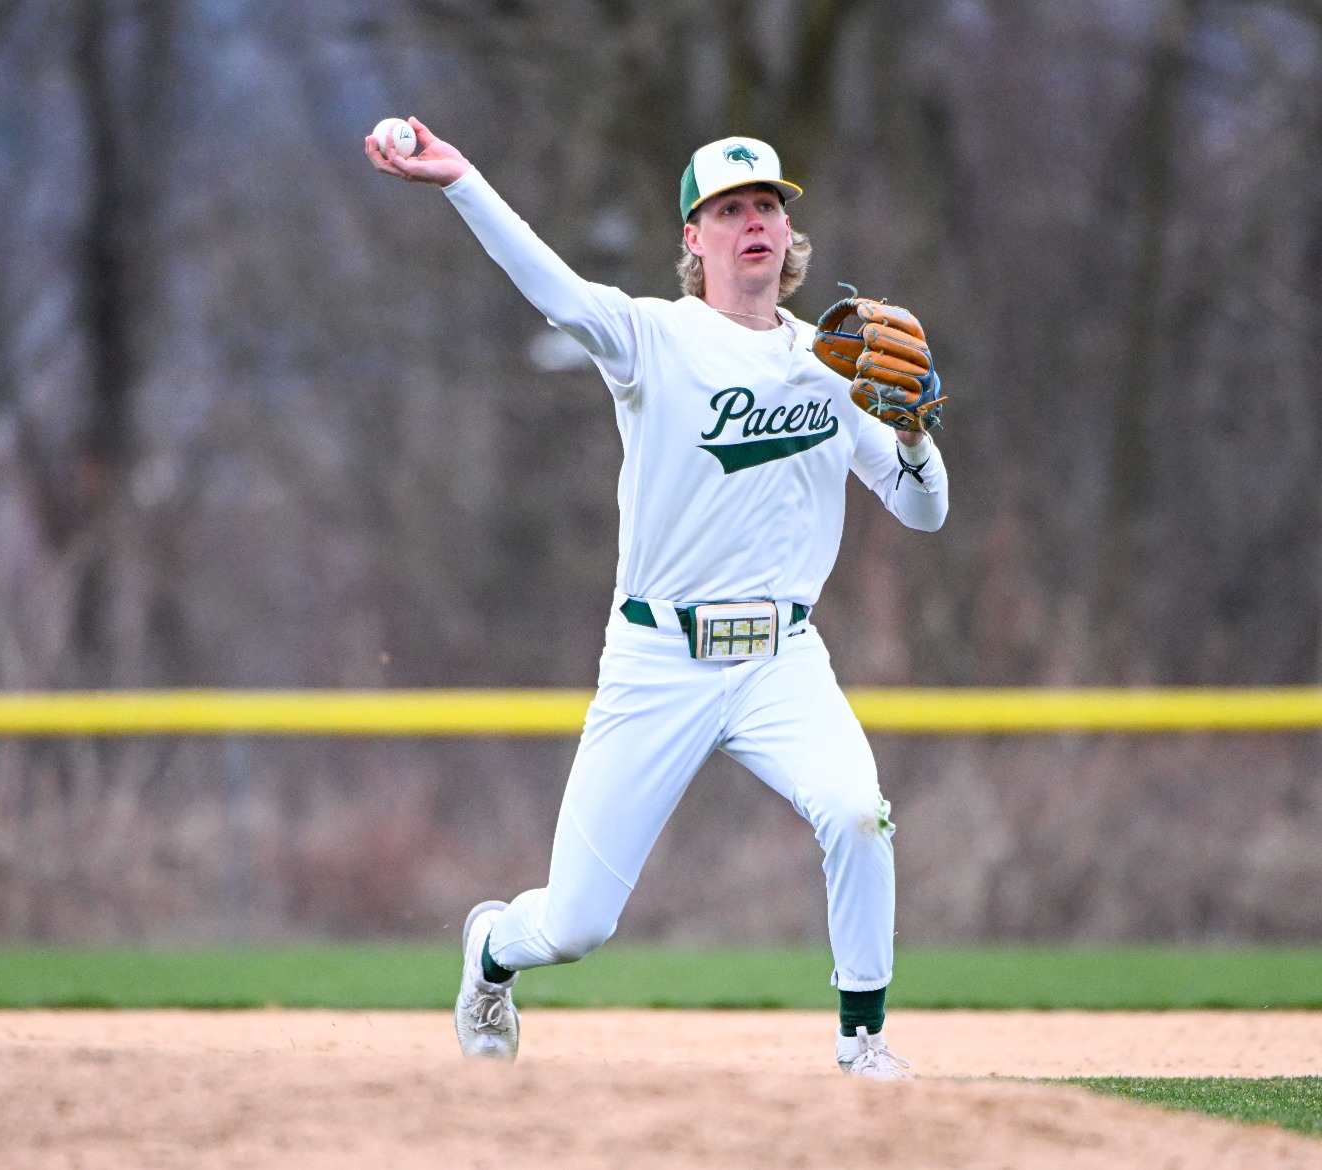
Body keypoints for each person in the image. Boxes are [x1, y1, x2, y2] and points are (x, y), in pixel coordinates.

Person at [365, 119, 948, 1080]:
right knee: (577, 924)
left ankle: (863, 1042)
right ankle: (491, 952)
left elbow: (925, 513)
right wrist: (462, 178)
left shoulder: (836, 365)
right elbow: (550, 286)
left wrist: (920, 440)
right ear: (694, 238)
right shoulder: (651, 338)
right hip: (657, 660)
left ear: (788, 233)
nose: (752, 222)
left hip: (780, 659)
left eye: (766, 205)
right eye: (728, 209)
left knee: (857, 813)